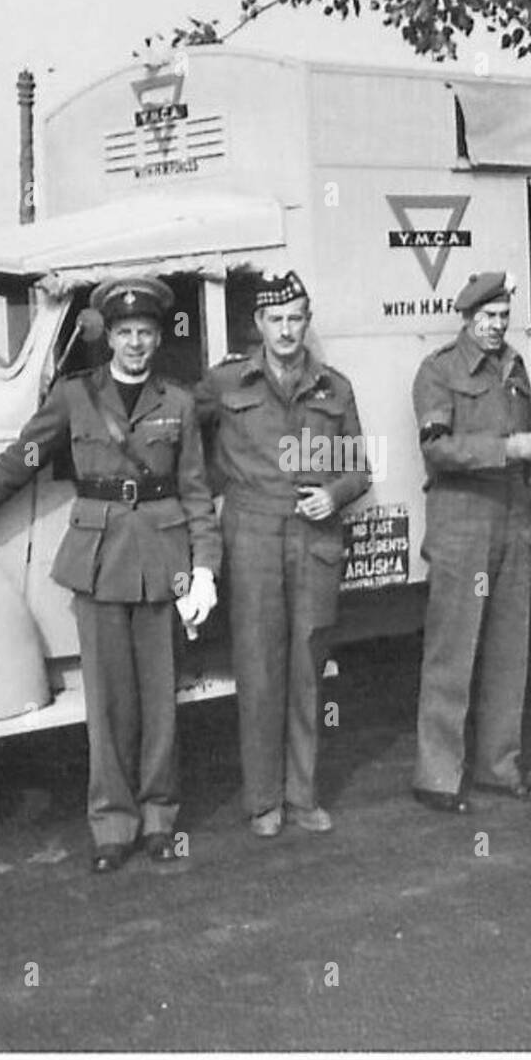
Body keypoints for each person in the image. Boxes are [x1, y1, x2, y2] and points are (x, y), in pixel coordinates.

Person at [0, 278, 222, 873]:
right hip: (100, 562)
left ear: (159, 339)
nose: (135, 344)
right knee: (106, 704)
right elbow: (19, 463)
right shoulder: (76, 397)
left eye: (146, 334)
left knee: (160, 700)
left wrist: (204, 567)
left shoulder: (178, 403)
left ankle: (160, 817)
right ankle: (112, 824)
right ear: (110, 337)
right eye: (125, 333)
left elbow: (195, 493)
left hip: (162, 562)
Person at [197, 272, 369, 838]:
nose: (287, 329)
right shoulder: (224, 382)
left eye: (296, 318)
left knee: (307, 669)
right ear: (259, 325)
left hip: (314, 538)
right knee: (259, 669)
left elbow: (359, 469)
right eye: (276, 320)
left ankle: (302, 795)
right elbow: (176, 434)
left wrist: (334, 494)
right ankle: (263, 801)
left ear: (307, 321)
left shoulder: (333, 388)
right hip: (252, 536)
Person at [411, 271, 531, 814]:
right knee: (452, 655)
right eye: (488, 318)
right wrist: (504, 448)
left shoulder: (515, 369)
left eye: (503, 317)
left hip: (513, 525)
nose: (497, 327)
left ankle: (500, 767)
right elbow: (438, 450)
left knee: (507, 654)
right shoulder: (438, 372)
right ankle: (437, 777)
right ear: (468, 318)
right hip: (462, 526)